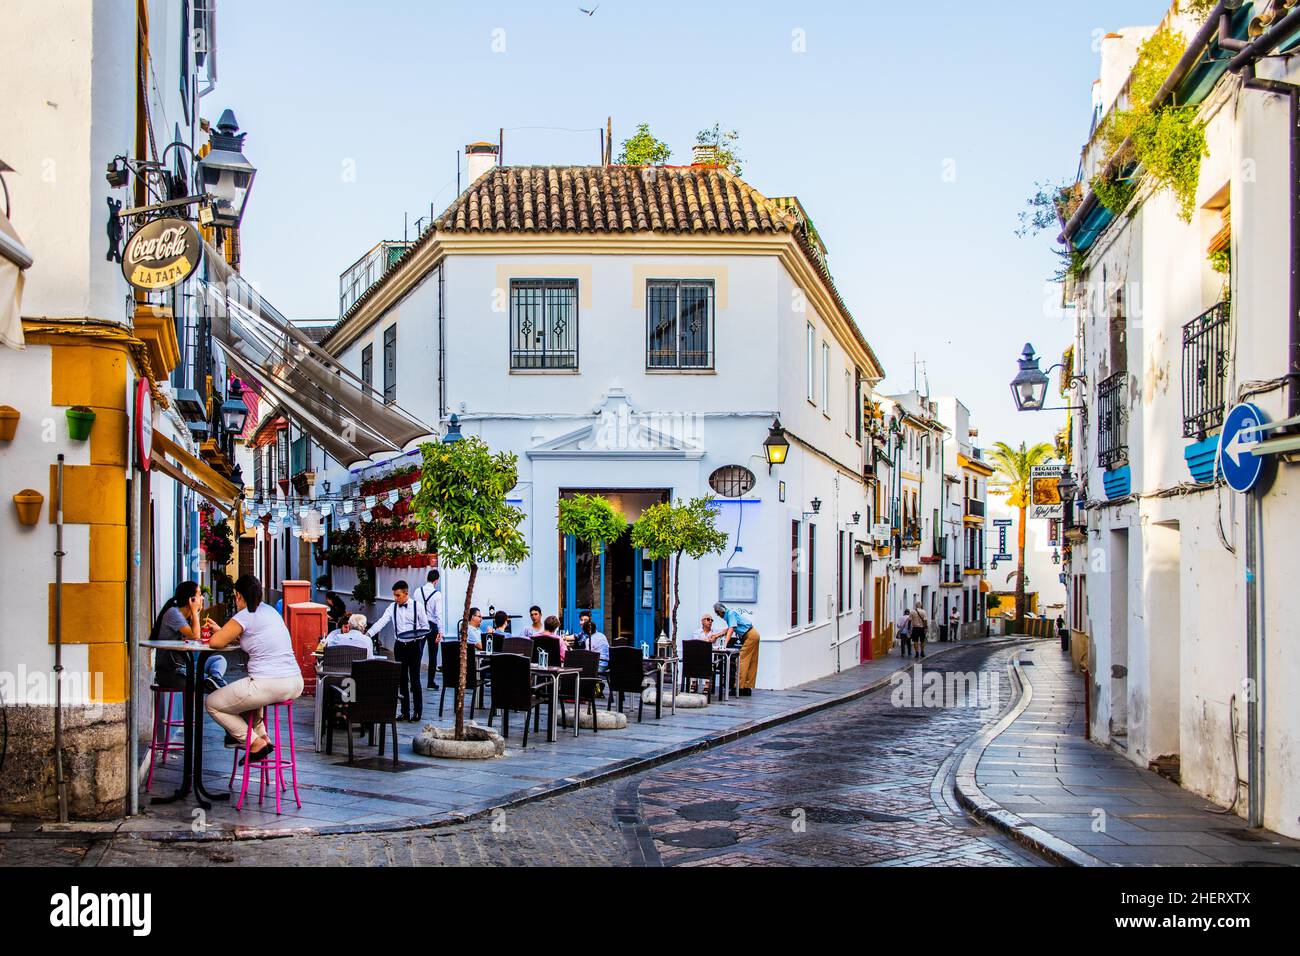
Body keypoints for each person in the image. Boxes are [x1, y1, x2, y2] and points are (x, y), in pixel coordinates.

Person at [204, 575, 304, 763]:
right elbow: (249, 637)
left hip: (269, 684)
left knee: (213, 703)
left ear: (239, 596)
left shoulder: (244, 615)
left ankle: (253, 741)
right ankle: (263, 737)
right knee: (248, 699)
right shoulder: (270, 612)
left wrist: (219, 632)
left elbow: (215, 642)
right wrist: (222, 629)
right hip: (294, 682)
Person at [151, 581, 228, 695]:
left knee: (219, 660)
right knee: (211, 684)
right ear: (191, 599)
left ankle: (215, 678)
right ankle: (212, 681)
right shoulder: (174, 613)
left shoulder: (186, 617)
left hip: (185, 668)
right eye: (199, 594)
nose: (202, 598)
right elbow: (195, 636)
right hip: (170, 673)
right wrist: (194, 611)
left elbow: (195, 637)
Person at [370, 580, 430, 721]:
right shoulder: (392, 607)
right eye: (394, 595)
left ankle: (417, 712)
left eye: (398, 595)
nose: (395, 598)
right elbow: (382, 621)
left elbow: (425, 626)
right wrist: (368, 634)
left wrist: (418, 636)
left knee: (415, 679)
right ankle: (404, 711)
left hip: (414, 645)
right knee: (402, 678)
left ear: (405, 593)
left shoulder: (418, 606)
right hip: (399, 646)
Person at [713, 602, 758, 696]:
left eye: (717, 613)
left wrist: (724, 644)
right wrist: (717, 635)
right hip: (752, 635)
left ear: (721, 611)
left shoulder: (730, 614)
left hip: (750, 636)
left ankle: (739, 687)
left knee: (741, 661)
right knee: (750, 662)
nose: (718, 615)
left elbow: (731, 629)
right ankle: (746, 687)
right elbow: (728, 629)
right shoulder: (730, 614)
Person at [414, 570, 442, 690]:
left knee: (417, 654)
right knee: (433, 655)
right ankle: (430, 682)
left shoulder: (417, 592)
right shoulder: (437, 595)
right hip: (432, 626)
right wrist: (440, 631)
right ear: (436, 581)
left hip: (420, 626)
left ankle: (415, 682)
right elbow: (438, 614)